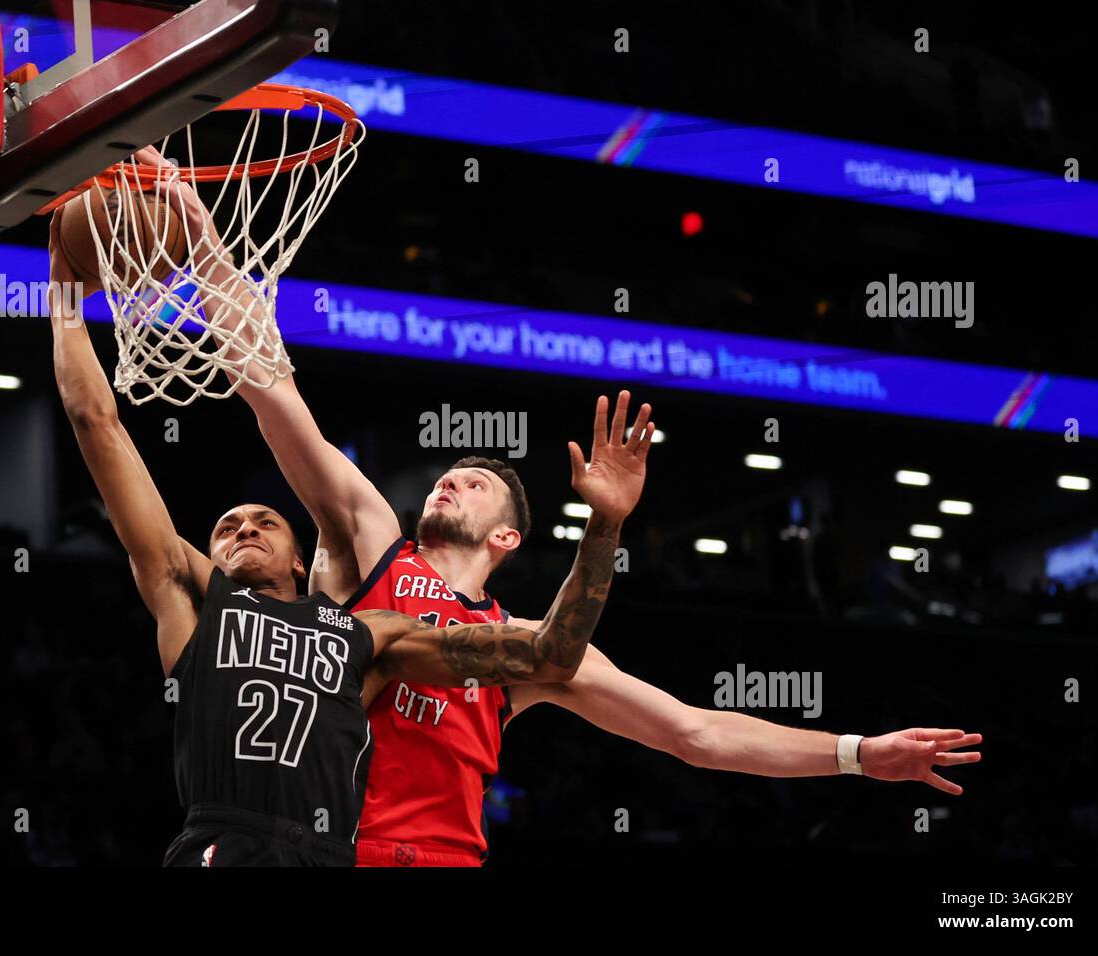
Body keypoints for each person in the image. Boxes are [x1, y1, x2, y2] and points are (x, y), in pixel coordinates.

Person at [138, 149, 984, 868]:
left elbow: (696, 733)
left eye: (474, 482)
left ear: (507, 534)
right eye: (445, 474)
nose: (448, 481)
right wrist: (204, 237)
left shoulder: (532, 652)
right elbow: (272, 389)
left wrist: (858, 756)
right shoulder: (370, 548)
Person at [45, 208, 652, 865]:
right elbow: (94, 419)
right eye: (228, 526)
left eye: (265, 520)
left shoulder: (372, 633)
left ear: (305, 559)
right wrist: (63, 300)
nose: (246, 525)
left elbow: (550, 655)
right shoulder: (191, 594)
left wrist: (605, 525)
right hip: (223, 839)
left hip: (331, 853)